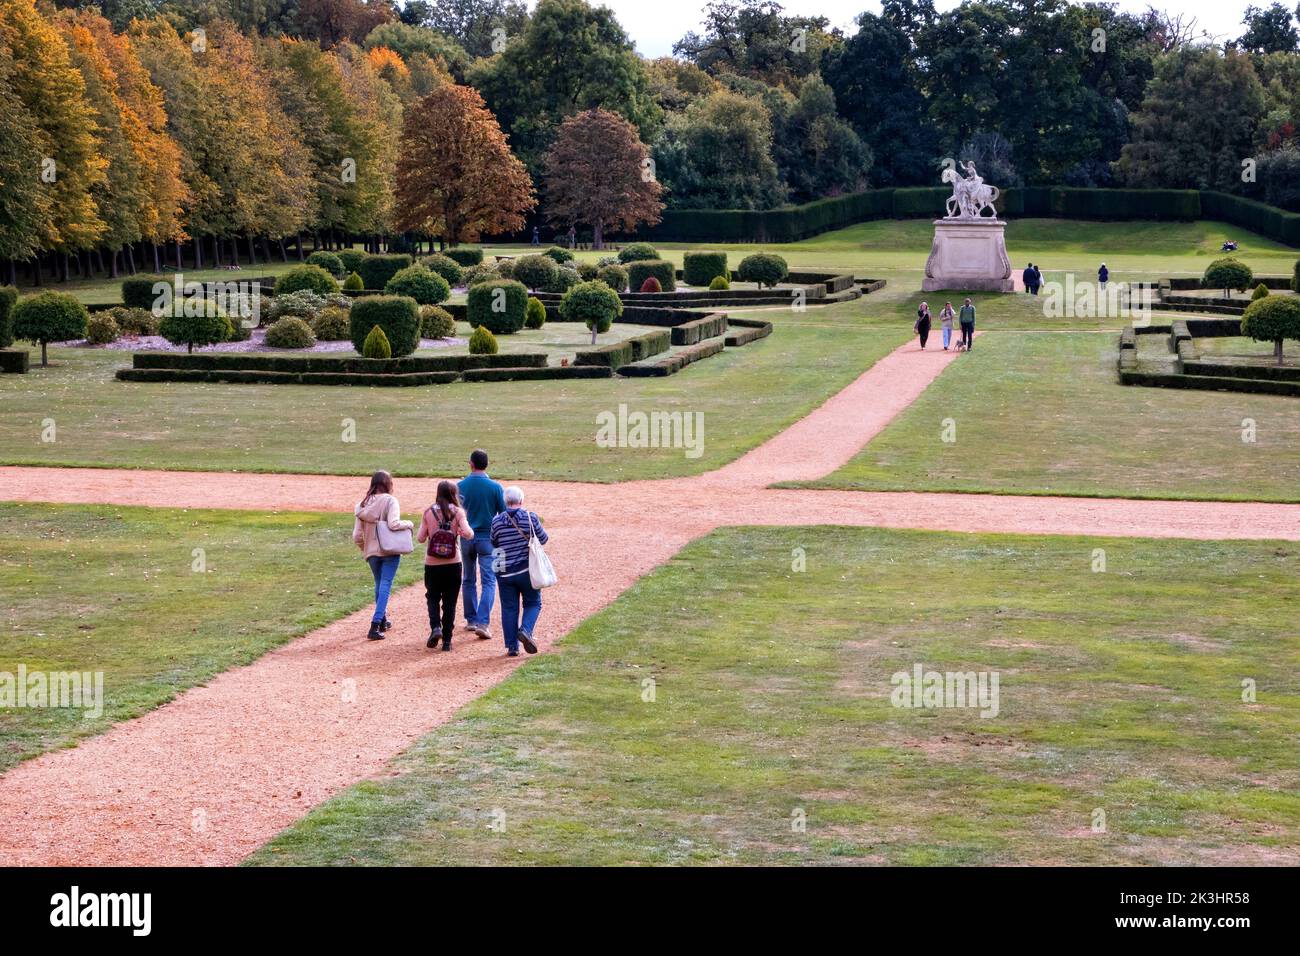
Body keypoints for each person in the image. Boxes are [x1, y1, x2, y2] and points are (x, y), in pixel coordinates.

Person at [352, 470, 414, 641]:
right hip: (389, 550)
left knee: (379, 584)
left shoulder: (361, 505)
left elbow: (356, 536)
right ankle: (375, 623)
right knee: (385, 584)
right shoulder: (390, 500)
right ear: (388, 484)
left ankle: (383, 620)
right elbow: (394, 524)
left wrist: (366, 549)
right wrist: (409, 524)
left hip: (371, 552)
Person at [490, 485, 548, 657]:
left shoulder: (497, 521)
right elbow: (543, 539)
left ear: (505, 502)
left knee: (509, 608)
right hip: (526, 570)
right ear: (521, 501)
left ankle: (512, 646)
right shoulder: (530, 518)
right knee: (533, 603)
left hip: (505, 573)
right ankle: (526, 630)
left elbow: (494, 543)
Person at [417, 480, 474, 651]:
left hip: (432, 563)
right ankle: (447, 641)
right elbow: (469, 534)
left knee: (432, 597)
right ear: (453, 494)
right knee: (450, 602)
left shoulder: (428, 512)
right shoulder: (458, 512)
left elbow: (420, 538)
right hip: (453, 563)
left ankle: (436, 627)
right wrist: (460, 532)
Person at [458, 449, 506, 640]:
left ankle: (470, 620)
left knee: (468, 578)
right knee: (489, 581)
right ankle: (483, 622)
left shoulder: (460, 486)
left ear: (471, 463)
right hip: (488, 539)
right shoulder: (495, 487)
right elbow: (503, 515)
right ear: (487, 464)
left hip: (466, 538)